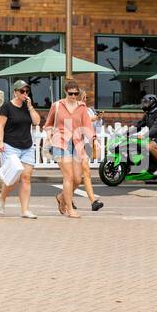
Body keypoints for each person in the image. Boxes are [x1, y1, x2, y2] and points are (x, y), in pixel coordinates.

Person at [44, 81, 94, 218]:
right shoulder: (57, 106)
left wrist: (93, 140)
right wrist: (49, 135)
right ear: (65, 92)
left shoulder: (82, 107)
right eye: (71, 93)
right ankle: (70, 208)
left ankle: (61, 197)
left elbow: (88, 126)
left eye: (76, 94)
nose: (73, 96)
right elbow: (48, 124)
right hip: (60, 142)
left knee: (77, 179)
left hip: (77, 143)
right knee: (69, 176)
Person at [0, 80, 40, 218]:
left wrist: (31, 107)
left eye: (27, 91)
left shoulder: (27, 107)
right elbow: (0, 126)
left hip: (27, 146)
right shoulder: (6, 107)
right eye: (22, 91)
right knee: (13, 179)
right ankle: (2, 197)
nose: (25, 93)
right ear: (15, 92)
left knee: (26, 177)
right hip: (10, 146)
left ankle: (25, 210)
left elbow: (37, 122)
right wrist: (1, 142)